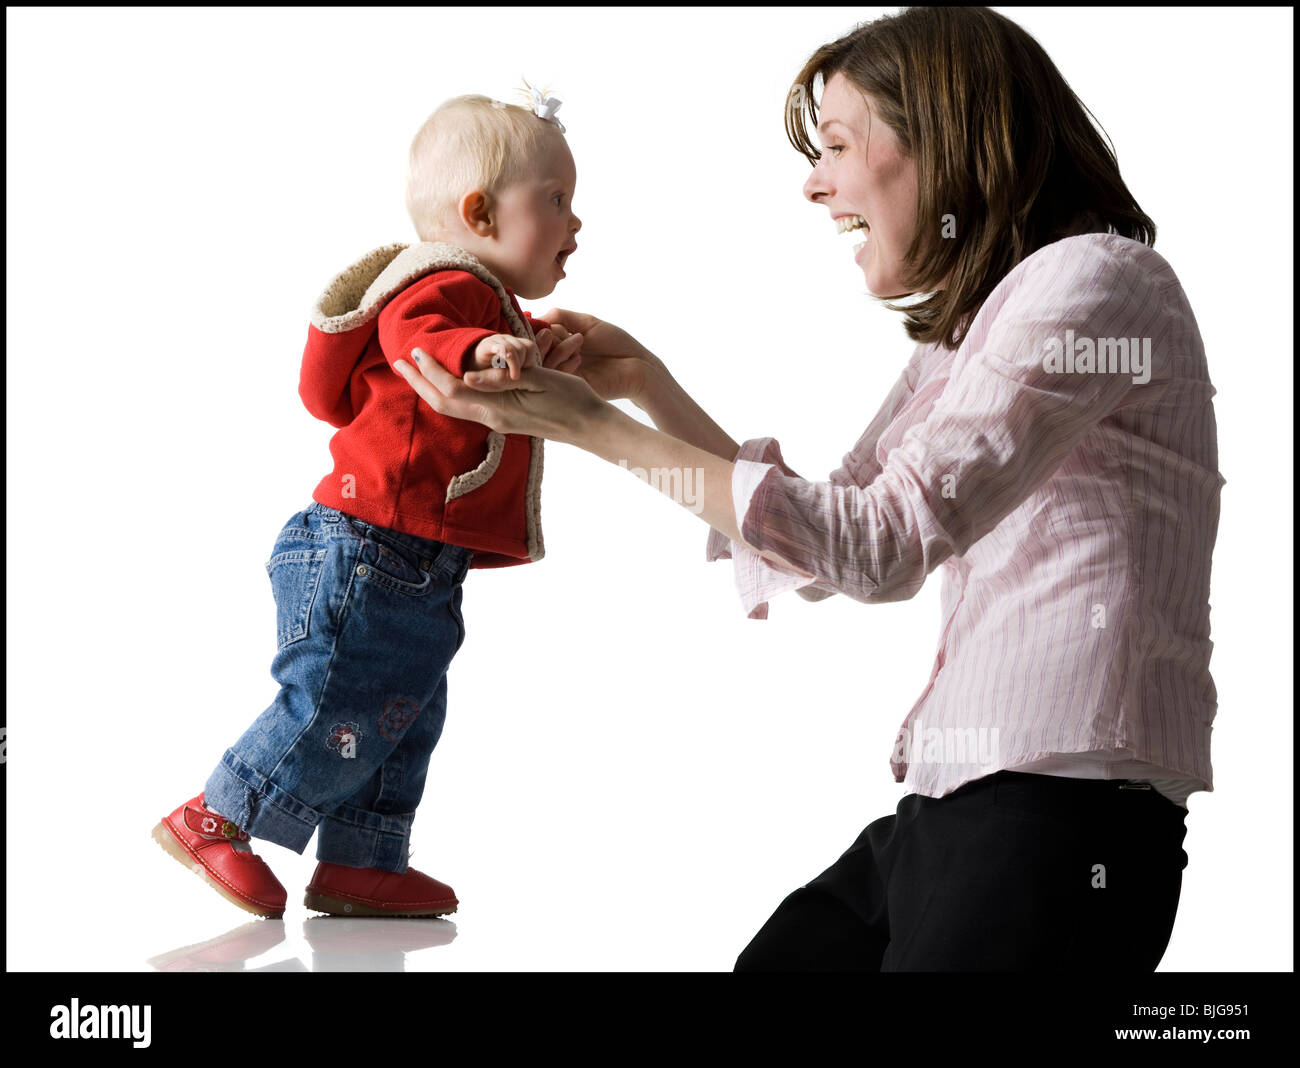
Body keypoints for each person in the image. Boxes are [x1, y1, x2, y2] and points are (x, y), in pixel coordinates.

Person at [391, 8, 1223, 969]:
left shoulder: (1097, 281)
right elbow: (828, 540)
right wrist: (646, 389)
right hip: (961, 812)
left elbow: (881, 546)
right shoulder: (973, 334)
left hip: (1069, 829)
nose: (814, 182)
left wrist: (589, 427)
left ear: (943, 139)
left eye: (836, 145)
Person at [152, 88, 585, 919]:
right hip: (368, 550)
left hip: (409, 560)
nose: (577, 221)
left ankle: (363, 859)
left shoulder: (483, 302)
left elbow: (468, 361)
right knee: (337, 702)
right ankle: (216, 816)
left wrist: (530, 349)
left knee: (403, 712)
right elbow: (415, 333)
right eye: (557, 200)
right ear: (479, 213)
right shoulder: (442, 282)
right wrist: (481, 348)